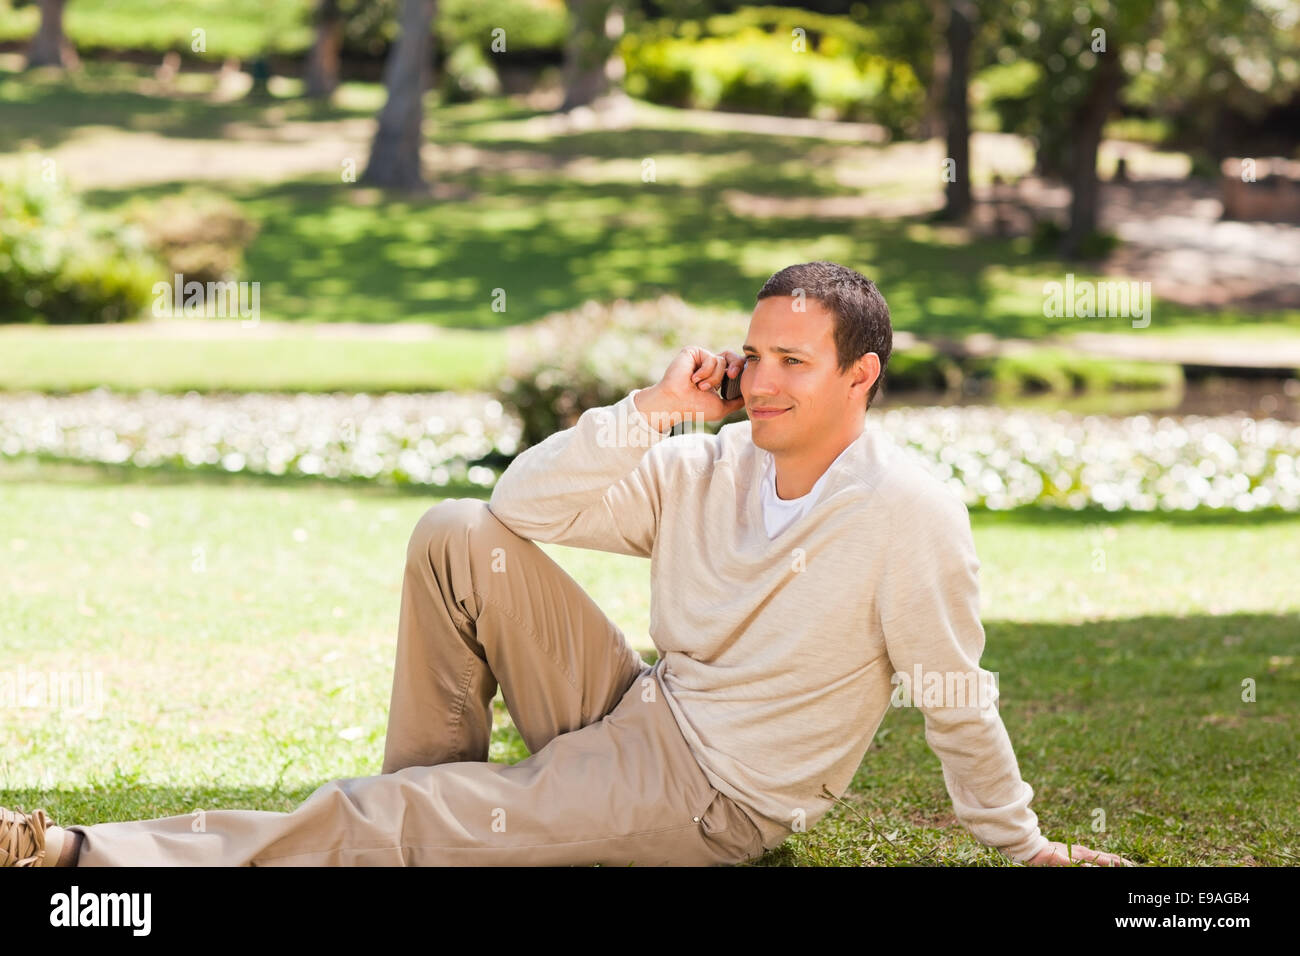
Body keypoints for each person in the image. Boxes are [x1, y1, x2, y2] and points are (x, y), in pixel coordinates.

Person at [1, 261, 1133, 867]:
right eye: (756, 355)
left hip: (709, 795)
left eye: (796, 360)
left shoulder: (907, 511)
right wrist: (650, 409)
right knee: (452, 529)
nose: (767, 379)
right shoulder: (714, 462)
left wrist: (1019, 838)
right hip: (639, 708)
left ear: (862, 376)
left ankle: (80, 851)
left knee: (393, 815)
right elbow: (517, 506)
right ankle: (425, 822)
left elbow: (952, 690)